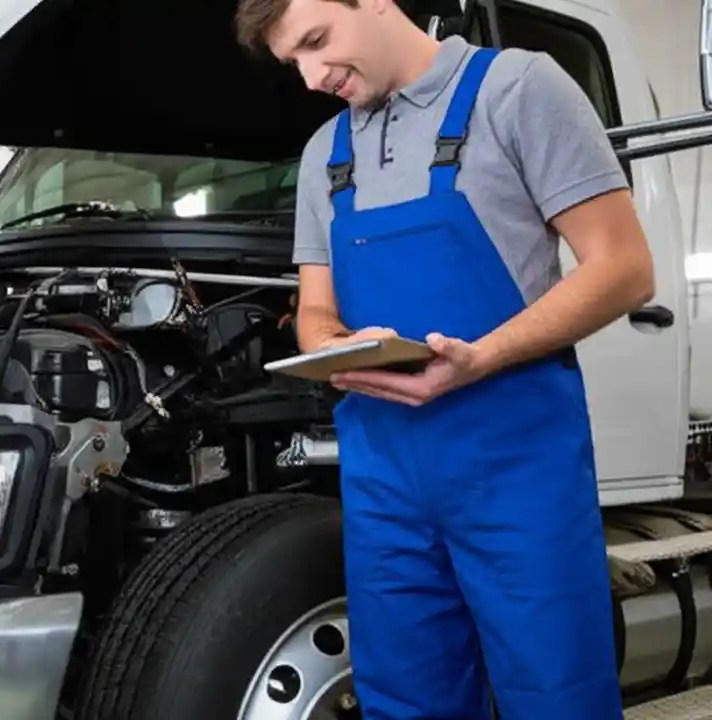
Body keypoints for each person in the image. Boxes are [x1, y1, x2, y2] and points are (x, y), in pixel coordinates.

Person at [234, 0, 655, 718]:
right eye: (292, 62)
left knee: (557, 697)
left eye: (316, 41)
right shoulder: (325, 154)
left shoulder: (518, 89)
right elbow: (314, 312)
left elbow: (624, 268)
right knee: (403, 699)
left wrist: (481, 357)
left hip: (517, 469)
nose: (310, 76)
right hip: (383, 479)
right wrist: (327, 350)